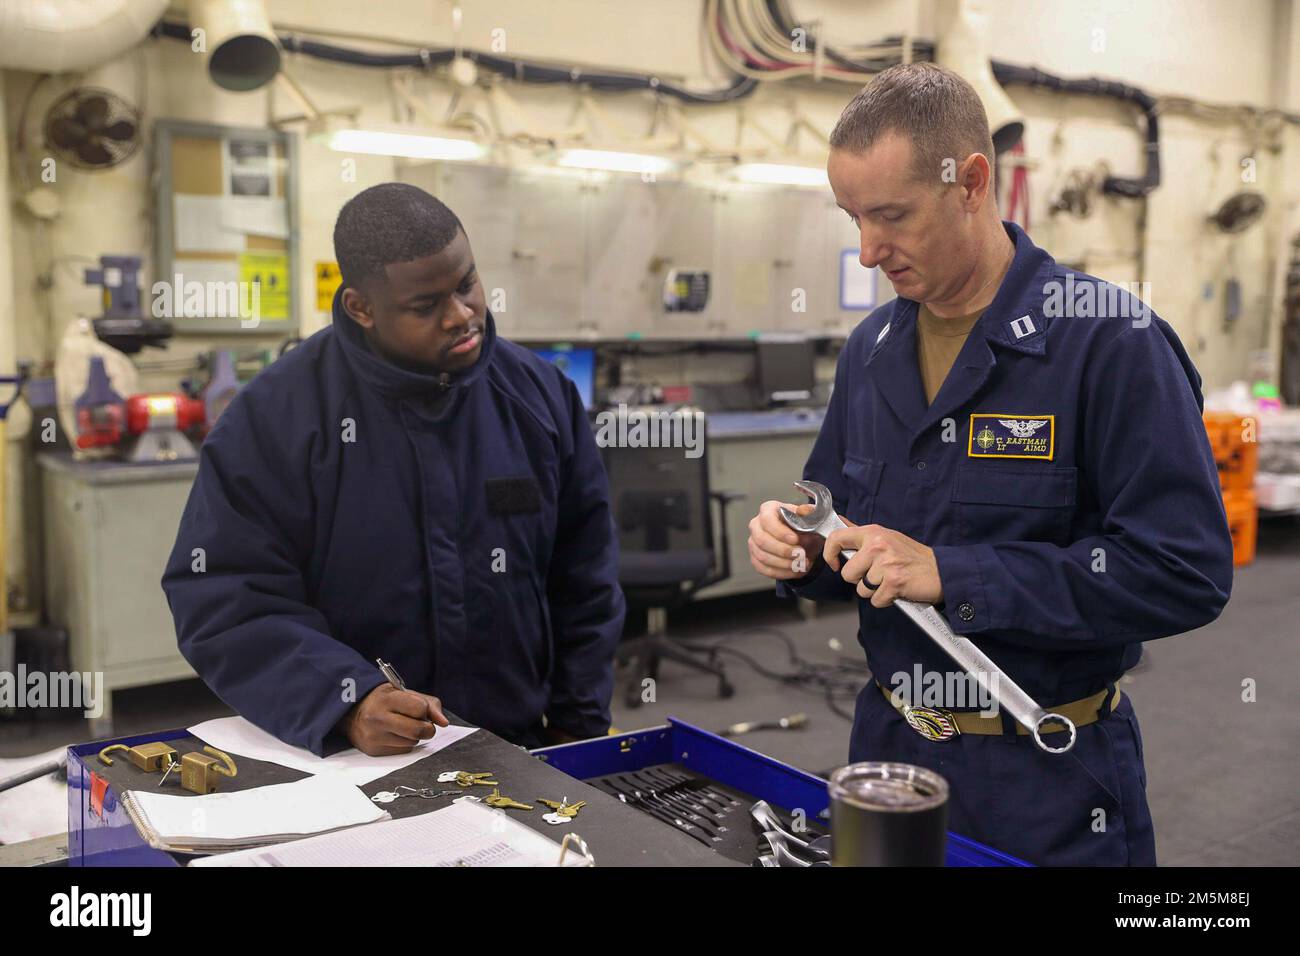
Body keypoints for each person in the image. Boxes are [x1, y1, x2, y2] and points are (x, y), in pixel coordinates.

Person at [746, 63, 1233, 866]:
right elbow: (837, 523)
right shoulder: (872, 350)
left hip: (1047, 780)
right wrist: (802, 549)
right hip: (890, 756)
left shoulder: (1111, 343)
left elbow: (1185, 570)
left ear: (971, 183)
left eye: (892, 216)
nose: (868, 251)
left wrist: (960, 575)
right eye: (852, 218)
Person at [163, 183, 625, 756]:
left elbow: (586, 577)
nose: (461, 315)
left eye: (467, 285)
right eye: (425, 306)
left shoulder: (540, 396)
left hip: (517, 745)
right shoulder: (277, 418)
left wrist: (576, 724)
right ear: (361, 307)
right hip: (349, 760)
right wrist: (347, 701)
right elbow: (226, 594)